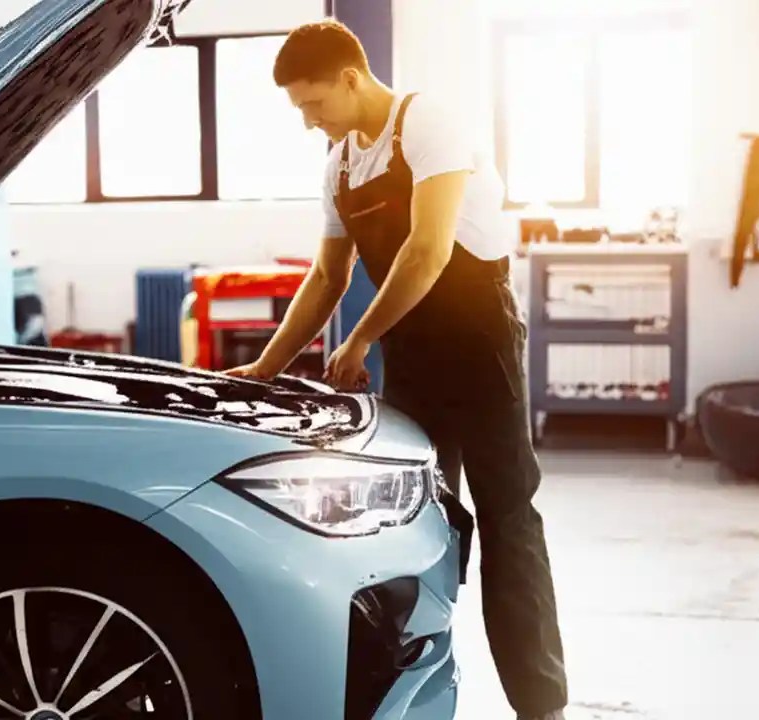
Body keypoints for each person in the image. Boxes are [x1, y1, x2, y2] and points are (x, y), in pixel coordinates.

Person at [223, 20, 569, 720]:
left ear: (351, 79)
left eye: (314, 103)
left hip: (481, 343)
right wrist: (264, 367)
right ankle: (411, 695)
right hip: (411, 350)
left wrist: (358, 343)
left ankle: (541, 705)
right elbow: (326, 277)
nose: (309, 121)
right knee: (410, 519)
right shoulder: (340, 166)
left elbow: (428, 250)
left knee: (508, 519)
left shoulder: (429, 123)